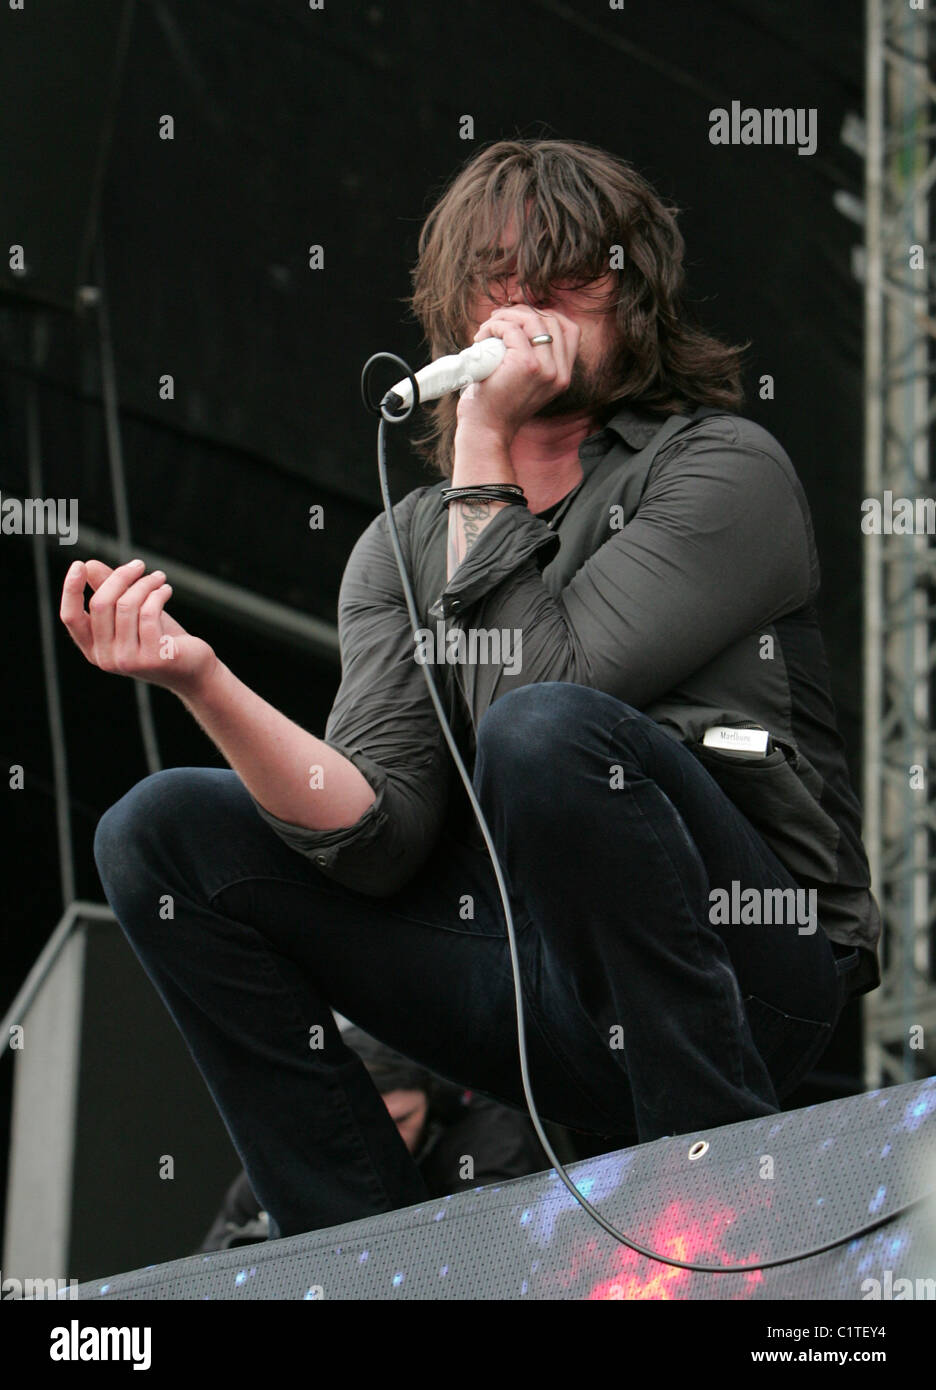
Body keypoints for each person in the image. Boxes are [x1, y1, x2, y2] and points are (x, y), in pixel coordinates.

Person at [62, 138, 880, 1244]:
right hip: (529, 981)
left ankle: (714, 1188)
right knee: (158, 831)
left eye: (570, 277)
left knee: (545, 732)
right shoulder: (400, 545)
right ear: (456, 307)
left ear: (633, 300)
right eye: (501, 279)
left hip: (740, 968)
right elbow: (376, 837)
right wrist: (205, 681)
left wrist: (482, 443)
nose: (529, 307)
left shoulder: (721, 468)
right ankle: (366, 1246)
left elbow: (539, 693)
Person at [198, 1025, 546, 1250]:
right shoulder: (289, 1162)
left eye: (401, 1120)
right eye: (363, 1126)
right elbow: (210, 1269)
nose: (385, 1140)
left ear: (433, 1098)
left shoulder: (486, 1134)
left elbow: (482, 1245)